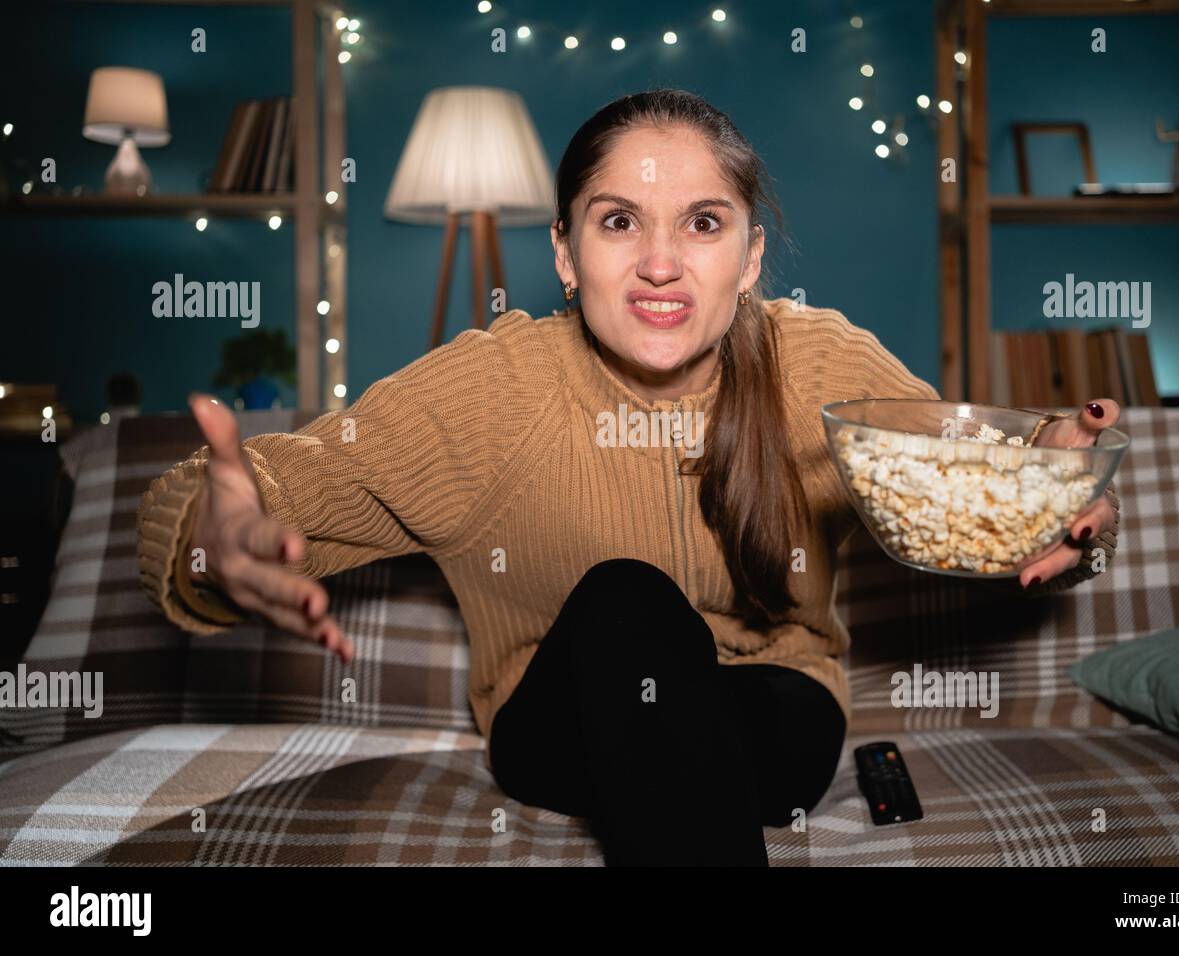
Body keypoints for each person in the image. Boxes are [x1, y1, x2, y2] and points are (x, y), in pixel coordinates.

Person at [136, 89, 1121, 867]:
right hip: (559, 723)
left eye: (701, 222)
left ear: (749, 257)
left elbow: (986, 475)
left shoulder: (819, 365)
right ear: (564, 253)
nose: (660, 262)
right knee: (623, 596)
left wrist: (1065, 499)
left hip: (775, 717)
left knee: (686, 696)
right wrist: (215, 532)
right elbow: (261, 483)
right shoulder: (493, 388)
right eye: (618, 222)